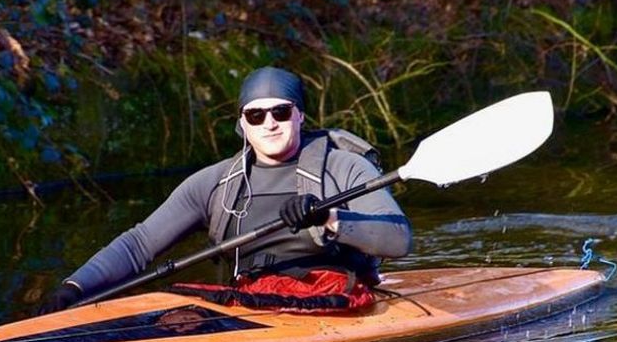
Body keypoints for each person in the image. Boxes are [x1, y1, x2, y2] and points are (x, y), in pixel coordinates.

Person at [38, 66, 411, 314]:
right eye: (256, 115)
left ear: (300, 115)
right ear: (242, 123)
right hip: (248, 307)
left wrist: (330, 218)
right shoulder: (215, 183)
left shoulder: (344, 167)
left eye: (281, 112)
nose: (269, 124)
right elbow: (138, 245)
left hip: (337, 301)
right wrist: (74, 287)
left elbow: (398, 240)